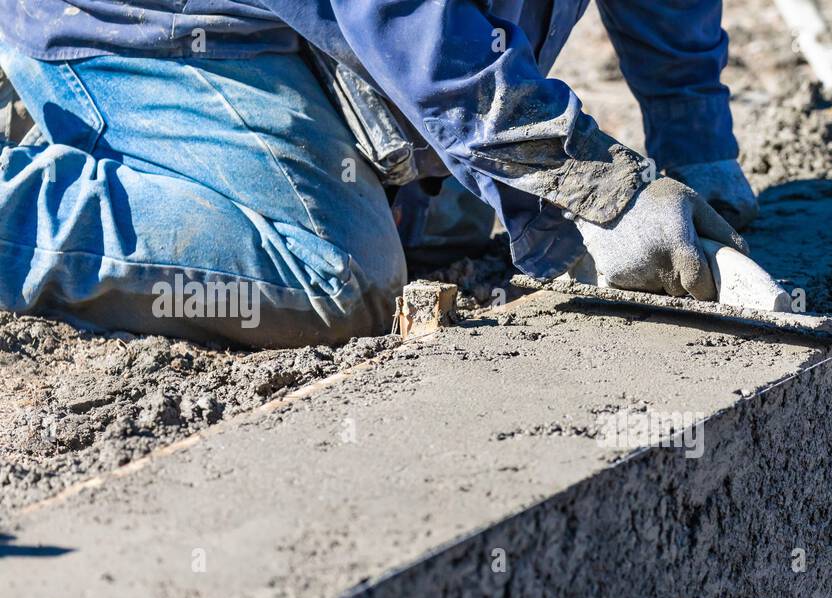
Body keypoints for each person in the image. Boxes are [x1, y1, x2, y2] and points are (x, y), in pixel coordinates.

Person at [0, 0, 759, 349]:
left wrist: (695, 140)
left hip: (298, 26)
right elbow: (403, 11)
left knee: (453, 211)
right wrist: (592, 186)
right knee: (334, 278)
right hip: (145, 26)